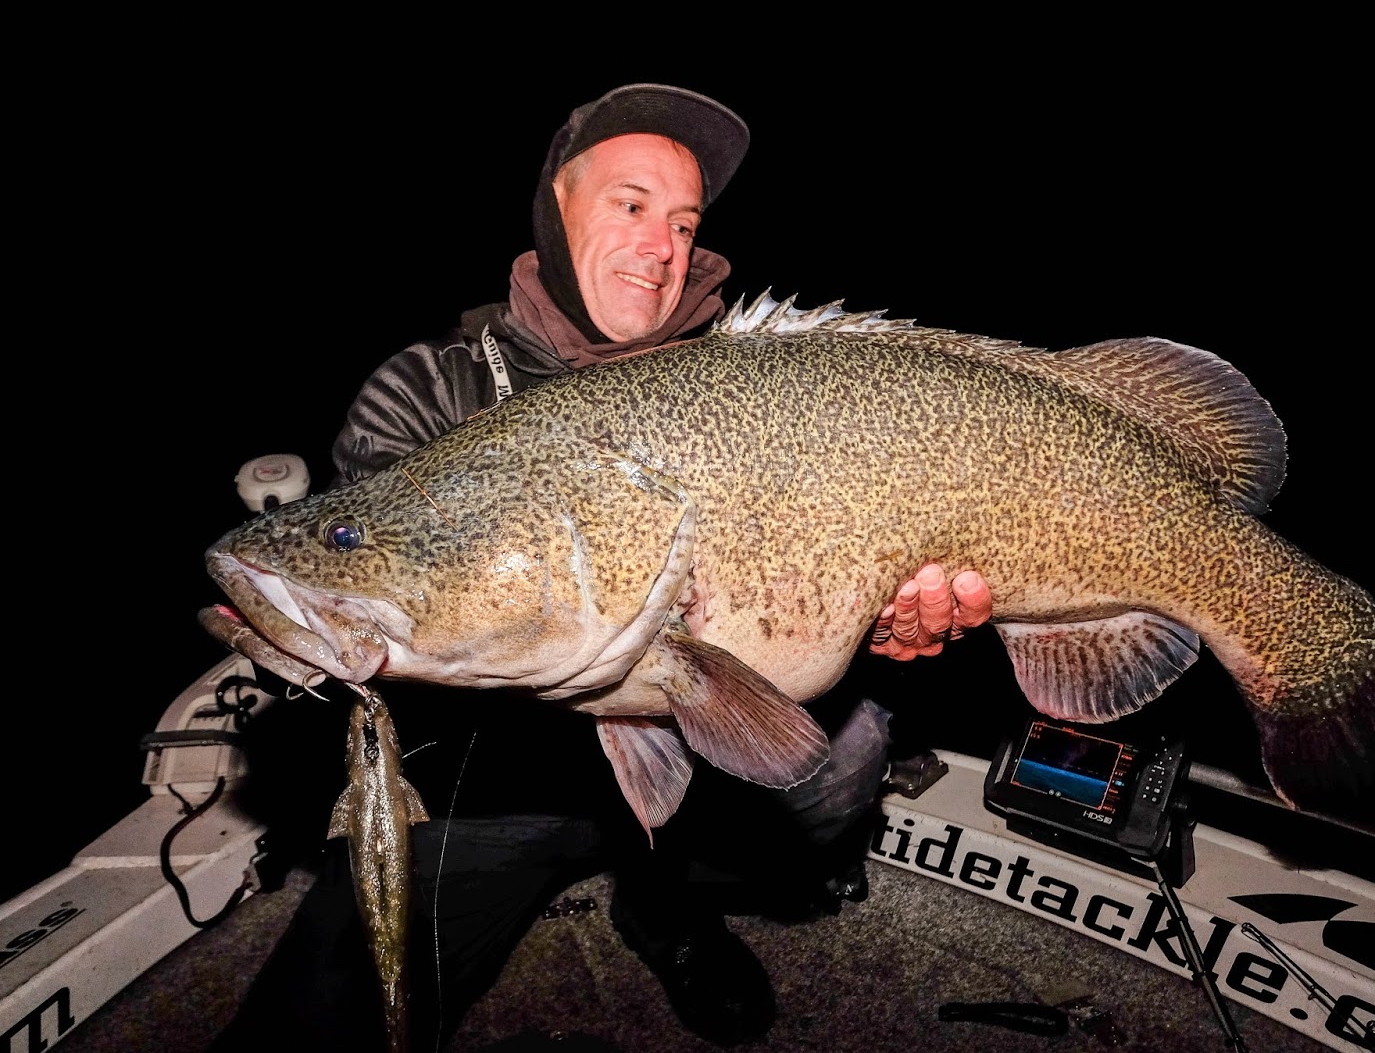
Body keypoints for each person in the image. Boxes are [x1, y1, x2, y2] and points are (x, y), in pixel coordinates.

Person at [212, 83, 991, 1052]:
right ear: (555, 211)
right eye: (629, 203)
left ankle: (665, 904)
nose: (661, 243)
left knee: (846, 756)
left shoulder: (763, 380)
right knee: (324, 1014)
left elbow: (830, 613)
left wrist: (881, 615)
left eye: (684, 219)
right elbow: (414, 595)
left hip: (712, 754)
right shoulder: (429, 383)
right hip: (488, 780)